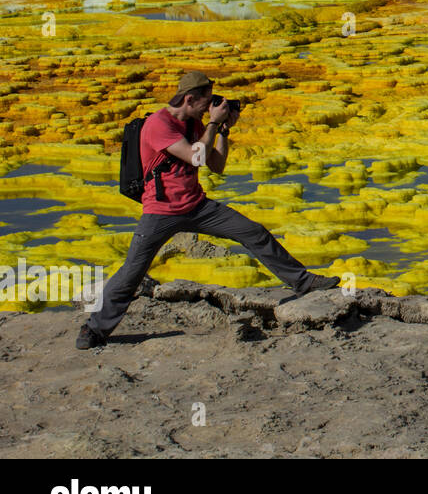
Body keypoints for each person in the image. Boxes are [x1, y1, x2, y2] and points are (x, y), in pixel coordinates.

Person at [76, 71, 338, 349]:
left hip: (196, 205)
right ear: (189, 98)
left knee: (254, 232)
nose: (210, 107)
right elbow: (196, 156)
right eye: (207, 101)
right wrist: (213, 122)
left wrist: (223, 130)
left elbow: (216, 165)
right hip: (160, 211)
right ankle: (94, 330)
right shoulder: (157, 124)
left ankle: (303, 282)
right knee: (132, 272)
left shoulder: (194, 123)